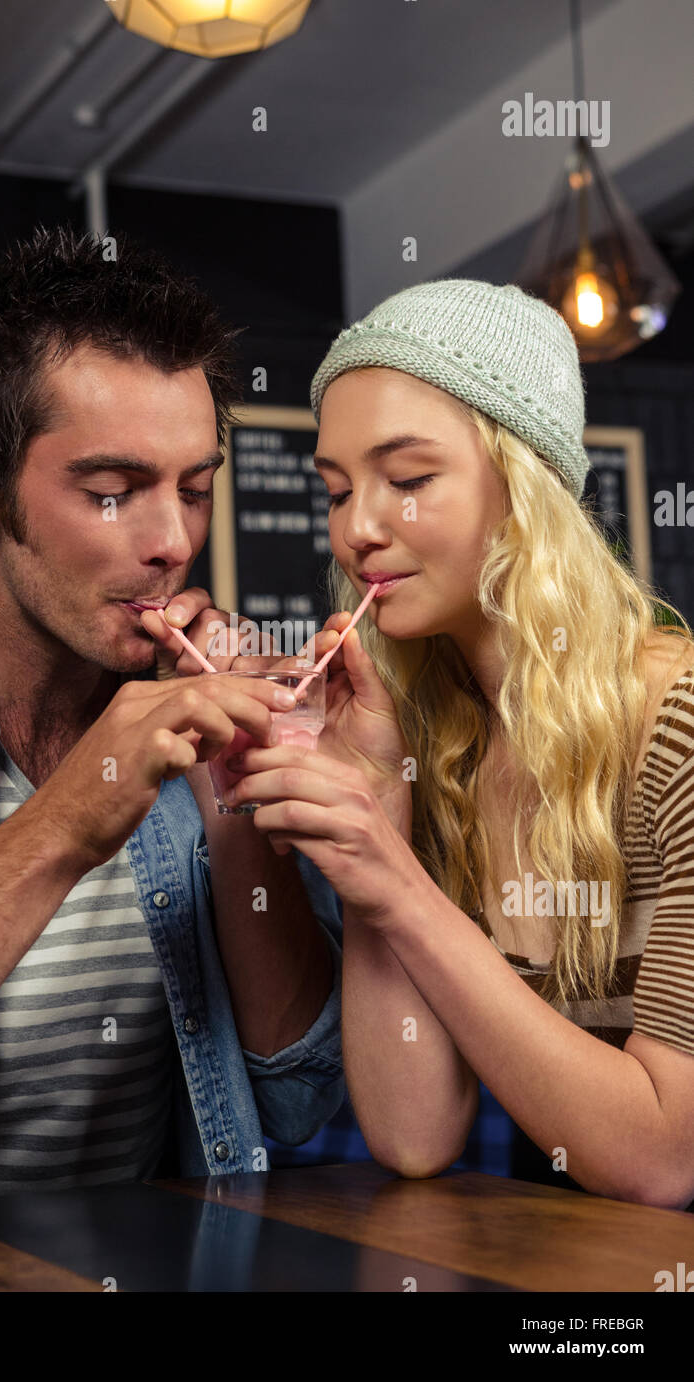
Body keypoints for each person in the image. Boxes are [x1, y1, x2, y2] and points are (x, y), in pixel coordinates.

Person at [0, 224, 343, 1211]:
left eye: (195, 490)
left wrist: (236, 811)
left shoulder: (200, 703)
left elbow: (296, 1100)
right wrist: (68, 817)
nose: (169, 541)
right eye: (111, 493)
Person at [222, 278, 694, 1209]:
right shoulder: (436, 749)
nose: (358, 528)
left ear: (525, 492)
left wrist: (390, 875)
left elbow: (663, 1160)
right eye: (338, 490)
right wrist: (379, 830)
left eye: (408, 480)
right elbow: (412, 1135)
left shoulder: (677, 730)